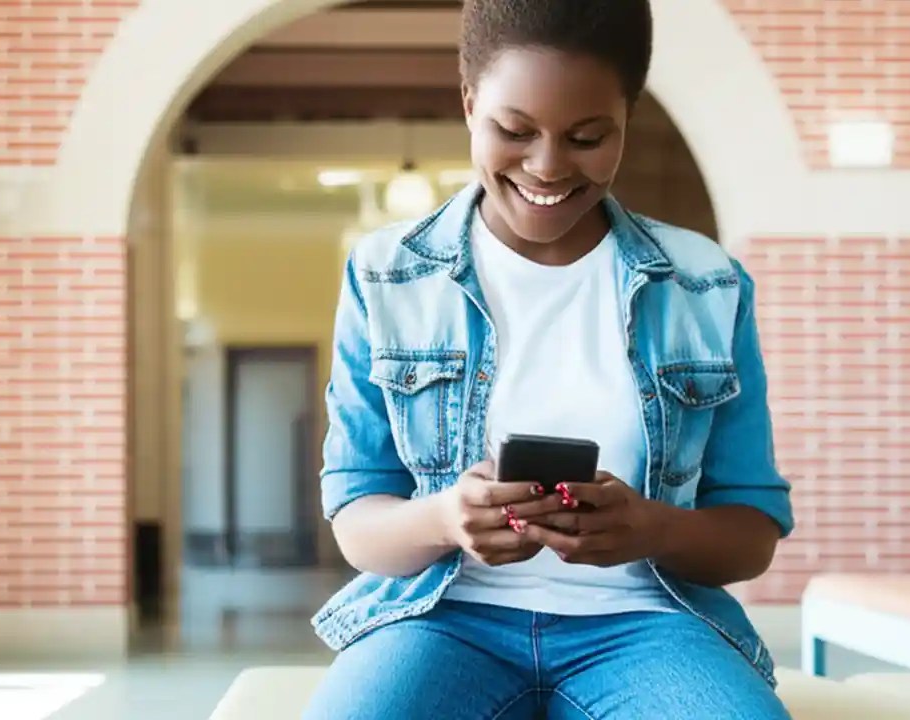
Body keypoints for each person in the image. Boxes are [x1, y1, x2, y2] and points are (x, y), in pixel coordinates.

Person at [303, 1, 794, 717]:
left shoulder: (707, 284)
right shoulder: (386, 275)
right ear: (470, 104)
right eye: (514, 130)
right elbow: (357, 519)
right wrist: (445, 519)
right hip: (441, 621)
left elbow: (749, 534)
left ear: (627, 117)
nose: (547, 166)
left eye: (588, 137)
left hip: (646, 628)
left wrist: (651, 528)